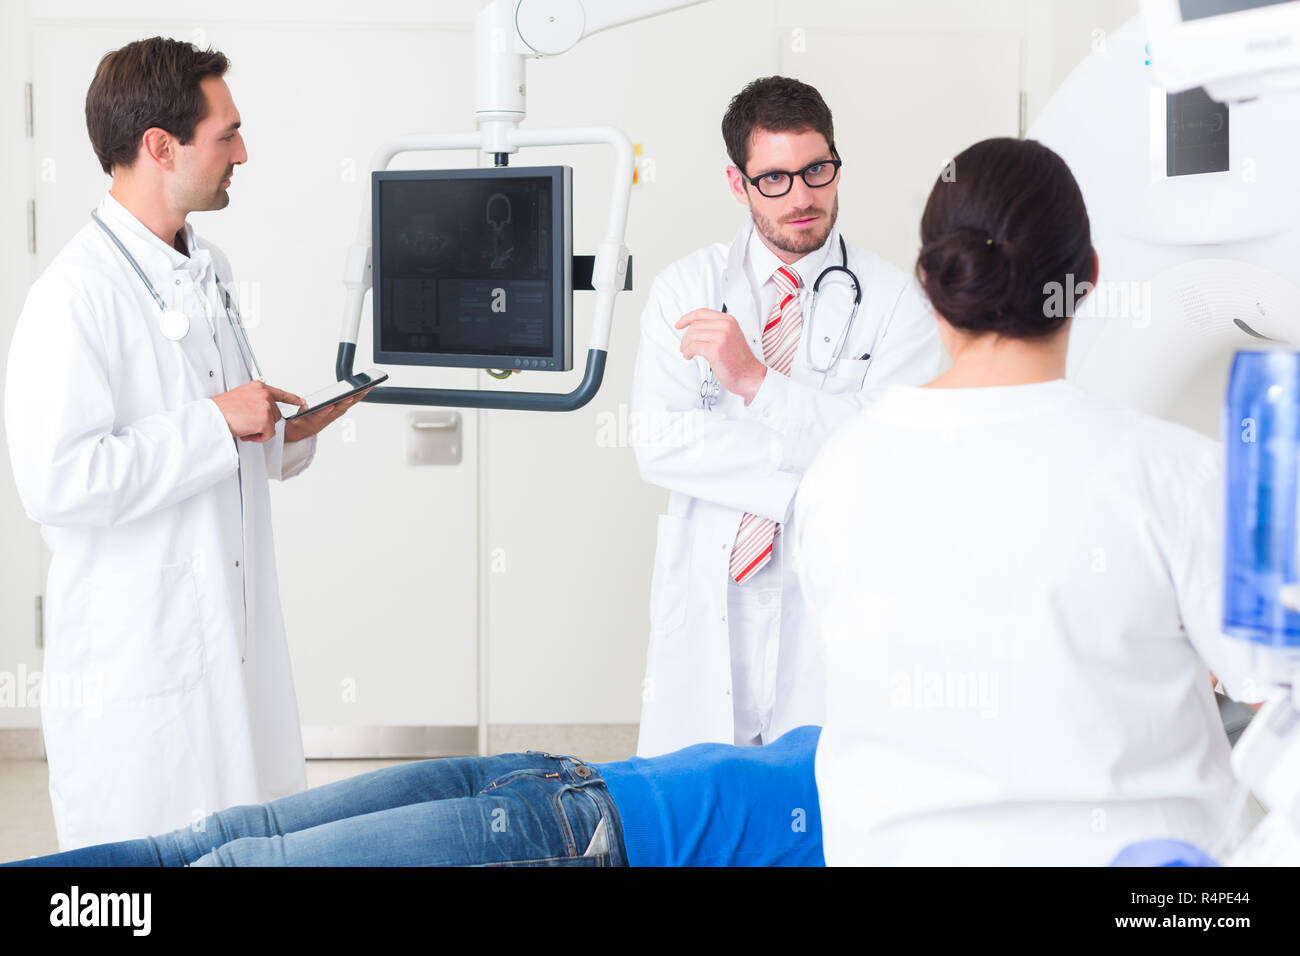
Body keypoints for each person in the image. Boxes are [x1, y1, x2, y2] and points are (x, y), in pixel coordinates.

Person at [793, 137, 1267, 866]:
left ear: (930, 283)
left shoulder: (837, 471)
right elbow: (1278, 692)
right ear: (1089, 278)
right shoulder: (1177, 475)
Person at [2, 37, 365, 851]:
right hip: (141, 672)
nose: (244, 152)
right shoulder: (73, 297)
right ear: (160, 147)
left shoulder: (210, 267)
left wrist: (286, 433)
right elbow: (58, 481)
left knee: (250, 839)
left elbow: (232, 434)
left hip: (231, 653)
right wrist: (214, 423)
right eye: (227, 134)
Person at [630, 75, 942, 757]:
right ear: (738, 184)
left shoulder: (897, 304)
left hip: (827, 598)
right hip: (713, 596)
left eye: (817, 170)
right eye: (774, 178)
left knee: (815, 815)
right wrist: (820, 462)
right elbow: (657, 444)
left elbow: (894, 457)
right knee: (702, 811)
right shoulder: (686, 289)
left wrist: (755, 384)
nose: (802, 197)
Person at [2, 726, 823, 867]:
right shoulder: (879, 732)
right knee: (207, 840)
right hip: (552, 775)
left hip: (581, 837)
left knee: (237, 862)